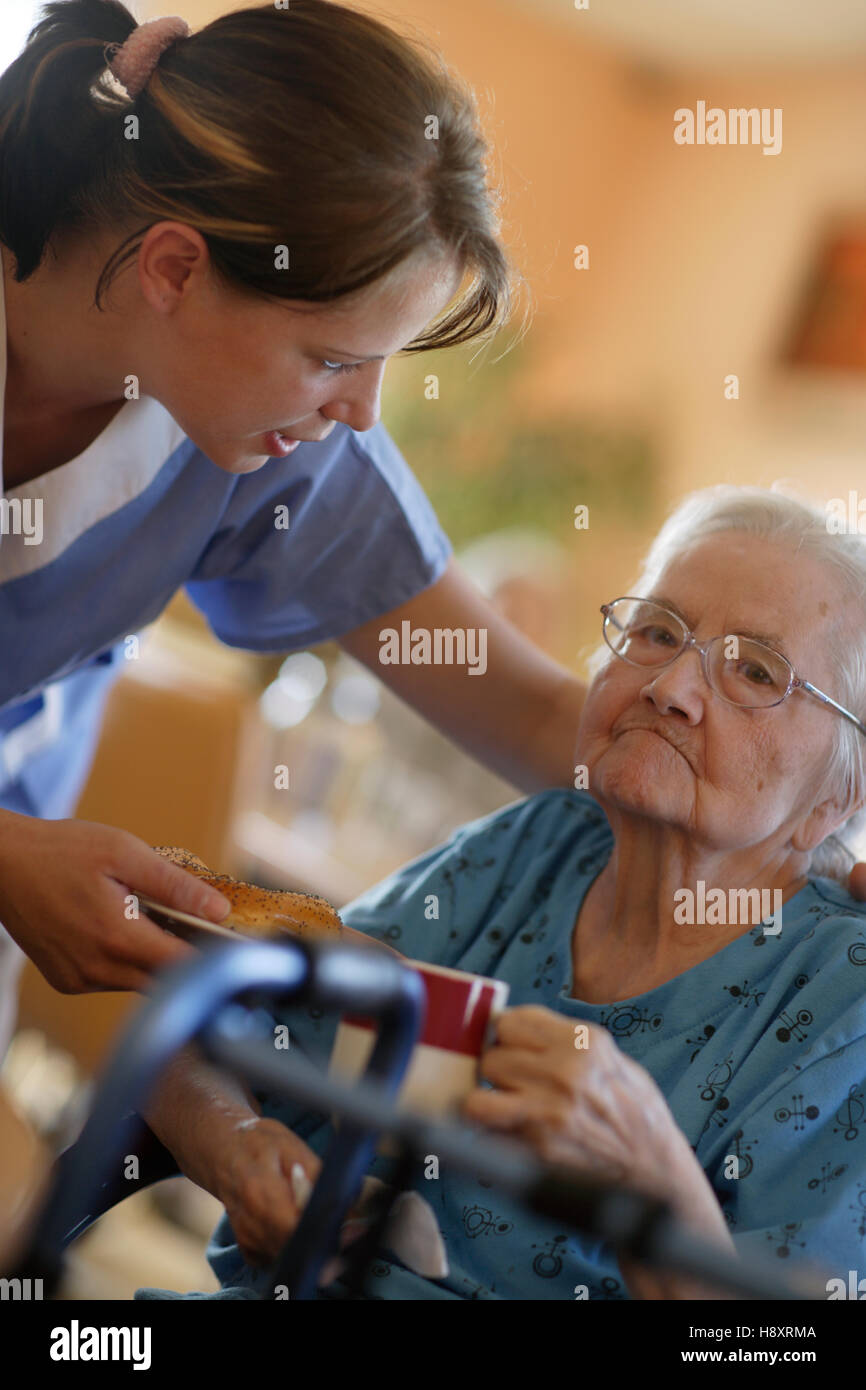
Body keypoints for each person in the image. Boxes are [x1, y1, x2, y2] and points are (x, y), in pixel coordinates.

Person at [0, 0, 594, 1049]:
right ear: (175, 269)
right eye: (330, 358)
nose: (361, 412)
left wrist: (801, 829)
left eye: (381, 365)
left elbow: (536, 716)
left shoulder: (278, 446)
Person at [138, 485, 866, 1301]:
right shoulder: (534, 849)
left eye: (756, 671)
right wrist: (237, 1148)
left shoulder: (846, 1005)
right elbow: (198, 1026)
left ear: (837, 799)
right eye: (657, 632)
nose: (671, 688)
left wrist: (652, 1185)